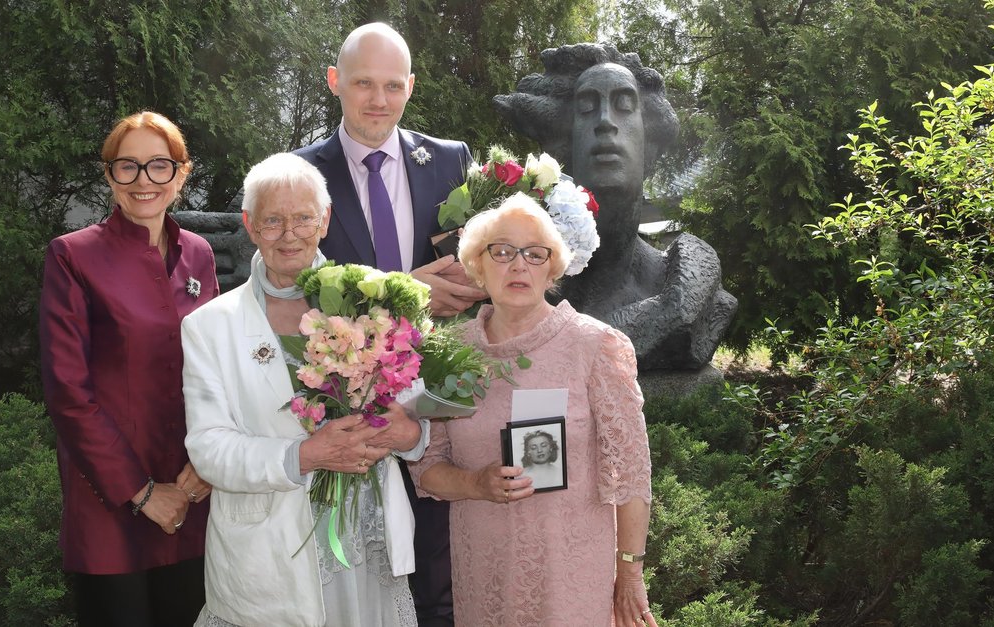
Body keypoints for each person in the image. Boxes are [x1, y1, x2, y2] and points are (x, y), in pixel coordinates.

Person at [181, 152, 428, 627]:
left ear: (325, 220)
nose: (288, 233)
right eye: (272, 220)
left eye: (302, 218)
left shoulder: (373, 298)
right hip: (272, 554)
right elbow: (209, 449)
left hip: (366, 540)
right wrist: (305, 456)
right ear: (250, 225)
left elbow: (413, 404)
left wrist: (412, 437)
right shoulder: (209, 326)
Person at [295, 22, 484, 625]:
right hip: (349, 399)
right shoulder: (299, 173)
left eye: (392, 86)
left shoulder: (451, 162)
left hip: (438, 397)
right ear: (335, 83)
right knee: (363, 568)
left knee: (441, 567)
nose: (378, 100)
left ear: (410, 87)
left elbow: (477, 267)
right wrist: (409, 289)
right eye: (363, 84)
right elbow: (301, 281)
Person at [410, 193, 658, 627]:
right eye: (502, 252)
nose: (518, 265)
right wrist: (475, 482)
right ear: (477, 265)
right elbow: (426, 468)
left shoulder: (596, 346)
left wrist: (630, 573)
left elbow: (631, 473)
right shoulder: (448, 353)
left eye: (534, 253)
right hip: (484, 572)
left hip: (573, 578)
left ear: (552, 267)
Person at [39, 111, 218, 627]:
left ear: (182, 174)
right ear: (108, 175)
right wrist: (140, 493)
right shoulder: (73, 257)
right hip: (110, 504)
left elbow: (219, 367)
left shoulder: (199, 256)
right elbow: (68, 392)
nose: (144, 181)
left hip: (190, 494)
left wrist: (207, 463)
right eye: (128, 167)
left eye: (159, 166)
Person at [494, 43, 737, 371]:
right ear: (566, 137)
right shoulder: (517, 285)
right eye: (586, 107)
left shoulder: (682, 280)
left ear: (648, 134)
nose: (606, 122)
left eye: (624, 104)